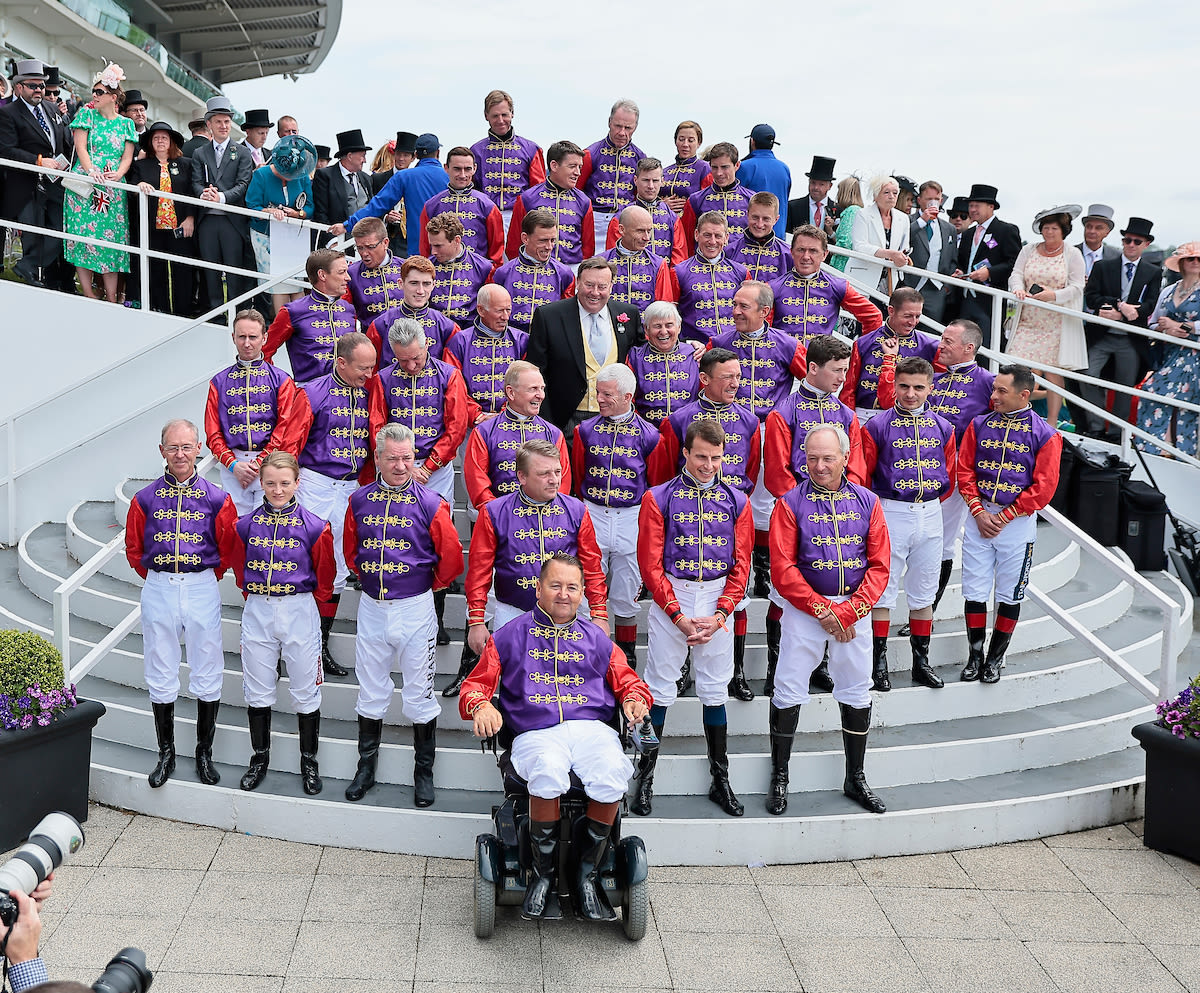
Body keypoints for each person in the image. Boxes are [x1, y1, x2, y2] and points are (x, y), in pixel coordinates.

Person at [460, 552, 650, 922]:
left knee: (614, 771)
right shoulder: (510, 636)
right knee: (546, 770)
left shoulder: (596, 638)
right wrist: (481, 706)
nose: (564, 594)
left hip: (592, 730)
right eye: (556, 585)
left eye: (572, 587)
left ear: (582, 594)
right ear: (538, 588)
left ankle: (586, 875)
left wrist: (633, 698)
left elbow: (630, 681)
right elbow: (474, 687)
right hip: (536, 731)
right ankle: (542, 876)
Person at [767, 423, 891, 815]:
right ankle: (780, 776)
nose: (819, 466)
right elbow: (783, 569)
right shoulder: (789, 503)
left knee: (857, 689)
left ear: (845, 457)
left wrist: (850, 609)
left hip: (854, 610)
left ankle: (856, 776)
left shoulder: (869, 501)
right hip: (806, 612)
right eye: (812, 458)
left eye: (828, 458)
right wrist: (823, 610)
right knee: (788, 687)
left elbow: (880, 565)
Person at [632, 419, 752, 818]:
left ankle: (721, 779)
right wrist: (677, 616)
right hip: (675, 595)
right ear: (685, 452)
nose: (708, 464)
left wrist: (721, 614)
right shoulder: (658, 497)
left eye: (716, 458)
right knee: (660, 688)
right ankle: (644, 777)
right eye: (701, 456)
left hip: (718, 598)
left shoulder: (738, 500)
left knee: (715, 690)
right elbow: (650, 565)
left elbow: (742, 565)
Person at [343, 424, 464, 806]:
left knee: (419, 694)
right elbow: (351, 551)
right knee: (371, 688)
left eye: (407, 458)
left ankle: (423, 773)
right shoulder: (359, 500)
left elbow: (450, 557)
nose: (400, 465)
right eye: (392, 457)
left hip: (414, 608)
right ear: (377, 457)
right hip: (373, 608)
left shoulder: (431, 503)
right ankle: (365, 768)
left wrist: (426, 586)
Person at [124, 419, 238, 788]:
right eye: (173, 447)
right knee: (160, 668)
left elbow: (228, 547)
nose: (180, 454)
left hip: (201, 585)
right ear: (162, 451)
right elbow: (134, 548)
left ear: (199, 448)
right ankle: (167, 752)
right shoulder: (144, 498)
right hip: (158, 586)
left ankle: (204, 752)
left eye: (186, 447)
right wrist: (159, 578)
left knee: (207, 667)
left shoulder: (218, 497)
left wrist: (204, 577)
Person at [763, 334, 865, 697]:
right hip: (797, 512)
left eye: (845, 369)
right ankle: (778, 663)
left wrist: (842, 501)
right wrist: (805, 505)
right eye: (836, 370)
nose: (842, 377)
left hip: (843, 514)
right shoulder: (783, 412)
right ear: (814, 368)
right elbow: (777, 472)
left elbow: (856, 470)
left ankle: (822, 664)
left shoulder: (846, 414)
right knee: (783, 593)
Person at [230, 451, 334, 794]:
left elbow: (325, 578)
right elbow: (238, 569)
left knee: (306, 691)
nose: (277, 489)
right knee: (258, 689)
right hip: (259, 609)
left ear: (297, 483)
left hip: (299, 609)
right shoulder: (244, 526)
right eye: (271, 483)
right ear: (260, 483)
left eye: (285, 483)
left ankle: (309, 761)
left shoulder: (316, 526)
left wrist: (304, 604)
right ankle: (259, 758)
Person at [710, 281, 807, 645]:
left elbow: (809, 380)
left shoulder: (785, 343)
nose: (735, 311)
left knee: (766, 500)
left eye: (743, 306)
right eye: (734, 304)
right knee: (733, 497)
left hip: (769, 429)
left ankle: (763, 568)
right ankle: (736, 560)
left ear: (765, 311)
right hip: (727, 425)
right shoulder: (720, 342)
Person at [957, 365, 1062, 684]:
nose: (994, 396)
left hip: (1015, 522)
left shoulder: (1045, 434)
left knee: (1009, 593)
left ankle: (995, 659)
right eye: (994, 389)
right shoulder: (979, 424)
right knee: (974, 590)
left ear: (1024, 394)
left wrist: (1002, 517)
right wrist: (978, 512)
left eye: (1002, 391)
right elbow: (964, 470)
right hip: (979, 517)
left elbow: (1044, 487)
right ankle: (975, 656)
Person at [861, 357, 956, 692]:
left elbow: (950, 472)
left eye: (918, 387)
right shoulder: (876, 425)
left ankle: (921, 663)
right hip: (891, 510)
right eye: (904, 386)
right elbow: (864, 474)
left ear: (931, 387)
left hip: (930, 511)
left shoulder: (944, 427)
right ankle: (879, 664)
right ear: (894, 385)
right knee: (883, 591)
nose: (911, 394)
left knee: (924, 590)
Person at [376, 317, 474, 641]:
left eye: (416, 358)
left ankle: (439, 620)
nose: (411, 365)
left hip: (435, 471)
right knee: (397, 537)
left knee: (437, 540)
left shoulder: (448, 375)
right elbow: (377, 424)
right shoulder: (384, 378)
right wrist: (397, 464)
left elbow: (456, 425)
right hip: (394, 471)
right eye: (403, 360)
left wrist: (428, 467)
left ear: (427, 345)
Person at [295, 332, 386, 677]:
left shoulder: (371, 392)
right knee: (303, 560)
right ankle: (293, 642)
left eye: (372, 367)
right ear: (341, 362)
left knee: (337, 569)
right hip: (315, 483)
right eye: (363, 368)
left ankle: (320, 645)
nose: (369, 373)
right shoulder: (311, 393)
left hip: (352, 488)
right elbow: (291, 441)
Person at [464, 439, 609, 656]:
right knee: (513, 686)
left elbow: (592, 566)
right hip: (512, 613)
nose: (554, 480)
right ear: (522, 477)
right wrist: (476, 621)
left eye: (557, 472)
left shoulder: (577, 510)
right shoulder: (494, 512)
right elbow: (478, 572)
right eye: (544, 474)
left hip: (567, 616)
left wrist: (599, 613)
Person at [901, 319, 995, 632]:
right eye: (942, 339)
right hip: (918, 466)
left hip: (955, 474)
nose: (941, 345)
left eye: (948, 341)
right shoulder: (936, 376)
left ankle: (928, 607)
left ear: (969, 348)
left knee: (940, 540)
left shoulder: (985, 380)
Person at [571, 363, 662, 670]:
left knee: (626, 589)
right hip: (593, 512)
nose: (600, 399)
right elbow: (579, 475)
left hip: (631, 516)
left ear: (627, 396)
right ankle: (584, 649)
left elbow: (656, 485)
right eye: (598, 392)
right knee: (584, 588)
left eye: (607, 394)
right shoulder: (585, 430)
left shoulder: (650, 436)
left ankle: (626, 655)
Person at [205, 308, 309, 515]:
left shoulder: (282, 380)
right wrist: (233, 465)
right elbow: (212, 432)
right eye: (241, 336)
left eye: (253, 337)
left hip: (272, 465)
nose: (247, 343)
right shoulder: (219, 381)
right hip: (232, 466)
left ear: (264, 338)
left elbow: (285, 427)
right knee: (234, 529)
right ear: (233, 337)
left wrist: (262, 463)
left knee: (266, 529)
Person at [527, 256, 643, 432]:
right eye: (589, 285)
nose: (595, 293)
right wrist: (548, 423)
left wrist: (689, 346)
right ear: (578, 282)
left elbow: (646, 353)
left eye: (602, 287)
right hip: (566, 419)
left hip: (614, 417)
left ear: (611, 286)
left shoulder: (628, 314)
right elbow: (536, 371)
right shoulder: (548, 316)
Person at [1081, 216, 1162, 439]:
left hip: (1131, 338)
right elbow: (1091, 297)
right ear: (1123, 241)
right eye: (1127, 240)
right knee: (1087, 375)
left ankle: (1116, 432)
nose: (1131, 245)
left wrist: (1127, 316)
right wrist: (1119, 306)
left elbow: (1150, 305)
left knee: (1125, 386)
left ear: (1146, 244)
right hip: (1102, 335)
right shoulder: (1103, 266)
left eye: (1137, 241)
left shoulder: (1152, 272)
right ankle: (1096, 426)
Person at [1007, 206, 1087, 427]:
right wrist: (1017, 289)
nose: (1049, 232)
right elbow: (1016, 274)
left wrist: (1053, 295)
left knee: (1052, 373)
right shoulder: (1029, 249)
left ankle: (1051, 423)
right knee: (1019, 367)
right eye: (1046, 228)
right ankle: (1015, 414)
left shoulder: (1072, 254)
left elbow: (1077, 287)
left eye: (1054, 228)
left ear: (1063, 231)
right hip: (1027, 317)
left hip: (1055, 321)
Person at [63, 64, 137, 302]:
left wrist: (118, 173)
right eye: (93, 92)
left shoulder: (126, 124)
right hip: (85, 183)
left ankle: (112, 296)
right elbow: (80, 147)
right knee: (82, 234)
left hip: (112, 187)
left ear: (113, 97)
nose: (94, 96)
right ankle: (88, 293)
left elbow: (127, 156)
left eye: (99, 92)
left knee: (111, 239)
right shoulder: (85, 115)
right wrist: (91, 170)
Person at [0, 59, 72, 289]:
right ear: (19, 87)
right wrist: (38, 161)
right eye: (33, 85)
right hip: (24, 183)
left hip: (55, 182)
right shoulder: (8, 113)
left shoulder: (52, 109)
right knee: (31, 233)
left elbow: (61, 141)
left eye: (41, 85)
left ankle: (28, 265)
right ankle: (30, 271)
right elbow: (6, 150)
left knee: (62, 228)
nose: (39, 90)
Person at [334, 132, 448, 256]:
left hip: (418, 251)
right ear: (438, 152)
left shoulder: (404, 176)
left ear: (416, 154)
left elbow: (377, 205)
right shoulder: (450, 177)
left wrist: (348, 224)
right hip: (448, 248)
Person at [190, 96, 255, 315]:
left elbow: (244, 184)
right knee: (211, 271)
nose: (223, 126)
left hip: (232, 221)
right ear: (209, 124)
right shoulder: (200, 153)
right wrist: (203, 194)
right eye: (218, 122)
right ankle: (216, 315)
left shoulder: (243, 153)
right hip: (207, 220)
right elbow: (195, 182)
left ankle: (238, 316)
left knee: (234, 271)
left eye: (226, 121)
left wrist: (222, 197)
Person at [770, 224, 883, 346]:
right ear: (791, 252)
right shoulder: (773, 288)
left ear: (824, 255)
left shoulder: (836, 286)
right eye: (800, 250)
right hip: (784, 362)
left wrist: (862, 352)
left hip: (822, 362)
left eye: (813, 251)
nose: (806, 256)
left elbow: (873, 316)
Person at [1137, 243, 1200, 457]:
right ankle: (1155, 445)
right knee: (1153, 393)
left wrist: (1184, 327)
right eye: (1190, 259)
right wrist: (1165, 329)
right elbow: (1152, 322)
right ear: (1181, 263)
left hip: (1194, 355)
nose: (1194, 262)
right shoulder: (1169, 290)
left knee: (1169, 395)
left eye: (1199, 259)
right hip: (1168, 353)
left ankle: (1174, 448)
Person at [130, 120, 196, 315]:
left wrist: (190, 217)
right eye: (156, 137)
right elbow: (132, 189)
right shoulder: (141, 166)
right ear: (150, 142)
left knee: (182, 271)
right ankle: (161, 311)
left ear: (171, 141)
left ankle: (183, 312)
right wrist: (139, 185)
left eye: (164, 138)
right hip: (153, 227)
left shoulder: (186, 164)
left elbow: (193, 191)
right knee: (156, 270)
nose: (160, 141)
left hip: (181, 225)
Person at [842, 287, 938, 420]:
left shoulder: (929, 346)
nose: (913, 322)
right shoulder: (864, 342)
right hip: (863, 415)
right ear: (891, 311)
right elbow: (850, 389)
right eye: (908, 316)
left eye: (918, 316)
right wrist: (847, 419)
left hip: (907, 418)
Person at [263, 248, 355, 384]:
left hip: (347, 394)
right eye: (342, 272)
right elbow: (264, 352)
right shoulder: (293, 311)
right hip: (309, 397)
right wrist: (281, 384)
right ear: (322, 275)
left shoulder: (349, 309)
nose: (348, 277)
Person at [244, 136, 315, 314]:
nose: (291, 178)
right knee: (280, 284)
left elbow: (310, 206)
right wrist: (270, 213)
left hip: (292, 236)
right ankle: (282, 326)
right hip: (266, 236)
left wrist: (297, 214)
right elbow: (252, 206)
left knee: (297, 284)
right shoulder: (261, 175)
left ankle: (298, 328)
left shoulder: (302, 175)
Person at [470, 89, 545, 241]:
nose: (500, 120)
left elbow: (538, 190)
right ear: (486, 116)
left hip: (521, 219)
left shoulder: (531, 149)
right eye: (495, 115)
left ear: (512, 113)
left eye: (504, 114)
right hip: (487, 217)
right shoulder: (476, 151)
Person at [444, 283, 529, 417]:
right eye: (499, 311)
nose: (506, 317)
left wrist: (506, 413)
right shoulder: (460, 341)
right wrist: (476, 415)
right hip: (469, 420)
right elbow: (453, 386)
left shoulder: (522, 340)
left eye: (508, 310)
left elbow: (527, 384)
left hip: (512, 417)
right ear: (481, 310)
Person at [953, 183, 1022, 343]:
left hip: (990, 301)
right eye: (971, 205)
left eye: (977, 205)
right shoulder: (968, 233)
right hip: (965, 299)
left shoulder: (1006, 230)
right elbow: (962, 262)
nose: (973, 209)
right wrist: (959, 272)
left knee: (987, 346)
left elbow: (1014, 264)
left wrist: (990, 273)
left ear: (991, 207)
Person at [506, 140, 594, 266]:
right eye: (572, 166)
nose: (578, 173)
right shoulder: (527, 198)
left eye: (580, 167)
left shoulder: (584, 201)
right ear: (554, 166)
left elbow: (588, 249)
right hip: (533, 269)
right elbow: (514, 244)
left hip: (572, 270)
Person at [664, 210, 748, 342]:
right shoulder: (678, 272)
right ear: (697, 235)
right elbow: (669, 315)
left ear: (726, 238)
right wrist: (685, 342)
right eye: (707, 235)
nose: (712, 241)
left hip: (733, 347)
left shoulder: (741, 272)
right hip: (695, 348)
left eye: (718, 236)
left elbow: (749, 313)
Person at [490, 207, 576, 331]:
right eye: (543, 241)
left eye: (553, 240)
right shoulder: (503, 273)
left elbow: (567, 316)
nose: (549, 247)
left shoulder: (564, 274)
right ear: (525, 238)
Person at [365, 255, 460, 365]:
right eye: (414, 283)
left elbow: (452, 372)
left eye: (426, 284)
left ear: (433, 285)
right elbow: (371, 371)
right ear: (401, 283)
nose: (420, 291)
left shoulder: (447, 327)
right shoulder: (380, 325)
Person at [418, 145, 504, 265]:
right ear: (446, 168)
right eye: (457, 169)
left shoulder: (488, 206)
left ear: (474, 169)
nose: (463, 175)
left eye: (467, 169)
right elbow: (425, 249)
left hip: (477, 276)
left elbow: (496, 253)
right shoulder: (431, 206)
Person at [579, 98, 644, 250]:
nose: (622, 132)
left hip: (625, 222)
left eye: (628, 128)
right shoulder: (590, 154)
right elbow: (577, 191)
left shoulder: (640, 158)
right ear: (609, 122)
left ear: (635, 127)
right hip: (595, 221)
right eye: (618, 126)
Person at [844, 176, 911, 317]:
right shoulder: (863, 214)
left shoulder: (903, 218)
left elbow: (905, 247)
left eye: (895, 193)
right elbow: (859, 246)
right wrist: (890, 254)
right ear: (875, 195)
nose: (891, 196)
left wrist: (904, 257)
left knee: (885, 321)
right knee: (860, 321)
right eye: (886, 192)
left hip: (891, 281)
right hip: (864, 277)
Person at [626, 300, 700, 425]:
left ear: (679, 327)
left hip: (687, 432)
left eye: (669, 325)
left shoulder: (695, 354)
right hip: (649, 434)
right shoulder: (634, 357)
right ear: (646, 329)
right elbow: (628, 399)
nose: (664, 332)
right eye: (657, 326)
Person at [602, 157, 687, 264]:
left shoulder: (672, 218)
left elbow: (679, 260)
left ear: (662, 181)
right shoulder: (620, 218)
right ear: (635, 180)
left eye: (655, 181)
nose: (651, 186)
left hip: (663, 278)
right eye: (646, 180)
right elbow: (612, 259)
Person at [680, 142, 754, 250]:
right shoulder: (696, 200)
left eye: (724, 167)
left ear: (737, 165)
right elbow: (687, 242)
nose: (719, 173)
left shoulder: (751, 199)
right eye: (714, 167)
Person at [903, 180, 958, 323]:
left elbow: (952, 259)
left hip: (936, 290)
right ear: (920, 200)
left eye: (937, 199)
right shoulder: (907, 221)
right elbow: (903, 239)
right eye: (929, 199)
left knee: (931, 333)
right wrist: (922, 221)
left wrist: (946, 287)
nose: (933, 203)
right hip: (910, 285)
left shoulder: (949, 229)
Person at [602, 203, 671, 314]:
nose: (647, 238)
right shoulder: (602, 262)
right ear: (622, 230)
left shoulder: (658, 264)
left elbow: (663, 310)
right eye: (640, 231)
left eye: (649, 231)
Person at [426, 212, 494, 323]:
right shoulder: (427, 266)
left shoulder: (483, 268)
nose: (433, 252)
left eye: (438, 246)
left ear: (457, 240)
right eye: (431, 246)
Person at [312, 128, 371, 246]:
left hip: (365, 242)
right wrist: (333, 241)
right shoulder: (325, 176)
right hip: (338, 241)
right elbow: (321, 214)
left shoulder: (366, 178)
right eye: (362, 156)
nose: (365, 160)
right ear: (349, 156)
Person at [344, 216, 404, 330]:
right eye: (360, 248)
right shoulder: (351, 273)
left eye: (370, 247)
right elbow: (345, 315)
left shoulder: (406, 267)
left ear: (385, 243)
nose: (364, 253)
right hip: (371, 341)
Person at [736, 124, 791, 238]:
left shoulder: (745, 166)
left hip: (751, 237)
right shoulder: (784, 168)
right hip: (778, 237)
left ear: (752, 141)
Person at [726, 192, 792, 283]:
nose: (760, 224)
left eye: (766, 219)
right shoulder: (729, 251)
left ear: (776, 220)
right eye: (755, 217)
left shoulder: (788, 254)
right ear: (747, 215)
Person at [660, 119, 711, 214]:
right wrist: (662, 205)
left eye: (691, 140)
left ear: (699, 143)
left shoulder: (705, 168)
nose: (685, 144)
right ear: (675, 141)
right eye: (681, 139)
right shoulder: (664, 171)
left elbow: (708, 202)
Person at [785, 154, 837, 236]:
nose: (816, 187)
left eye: (821, 184)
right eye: (813, 183)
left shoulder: (838, 210)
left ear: (829, 186)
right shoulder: (793, 207)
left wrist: (830, 231)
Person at [828, 175, 863, 274]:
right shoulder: (858, 210)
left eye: (839, 191)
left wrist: (826, 249)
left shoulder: (851, 211)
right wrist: (830, 231)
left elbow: (846, 242)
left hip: (842, 266)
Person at [1077, 203, 1119, 279]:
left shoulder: (1116, 257)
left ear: (1107, 233)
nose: (1092, 231)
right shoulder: (1069, 253)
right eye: (1089, 227)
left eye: (1098, 228)